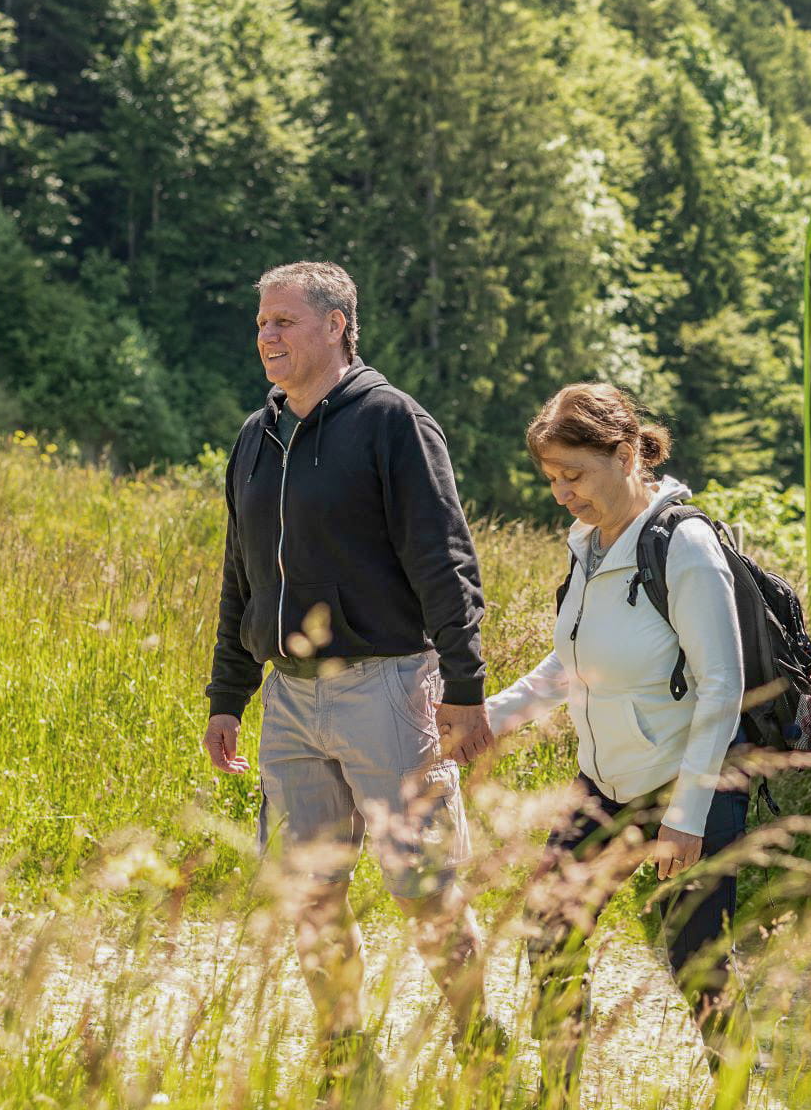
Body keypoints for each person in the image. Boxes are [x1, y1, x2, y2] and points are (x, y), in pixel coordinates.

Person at [199, 261, 499, 1067]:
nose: (267, 335)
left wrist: (464, 692)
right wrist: (229, 692)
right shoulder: (255, 437)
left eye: (285, 321)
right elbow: (243, 574)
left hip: (390, 687)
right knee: (309, 890)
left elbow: (446, 562)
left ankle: (479, 1042)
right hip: (290, 700)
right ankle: (343, 1046)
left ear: (336, 325)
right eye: (262, 322)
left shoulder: (393, 421)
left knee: (423, 887)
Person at [475, 382, 750, 1104]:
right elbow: (570, 666)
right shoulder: (588, 546)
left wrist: (686, 815)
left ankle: (737, 1091)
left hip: (683, 787)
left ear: (626, 454)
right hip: (603, 783)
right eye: (553, 478)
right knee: (551, 927)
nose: (561, 492)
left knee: (698, 962)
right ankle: (559, 1088)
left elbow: (722, 684)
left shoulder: (683, 544)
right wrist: (489, 719)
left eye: (574, 475)